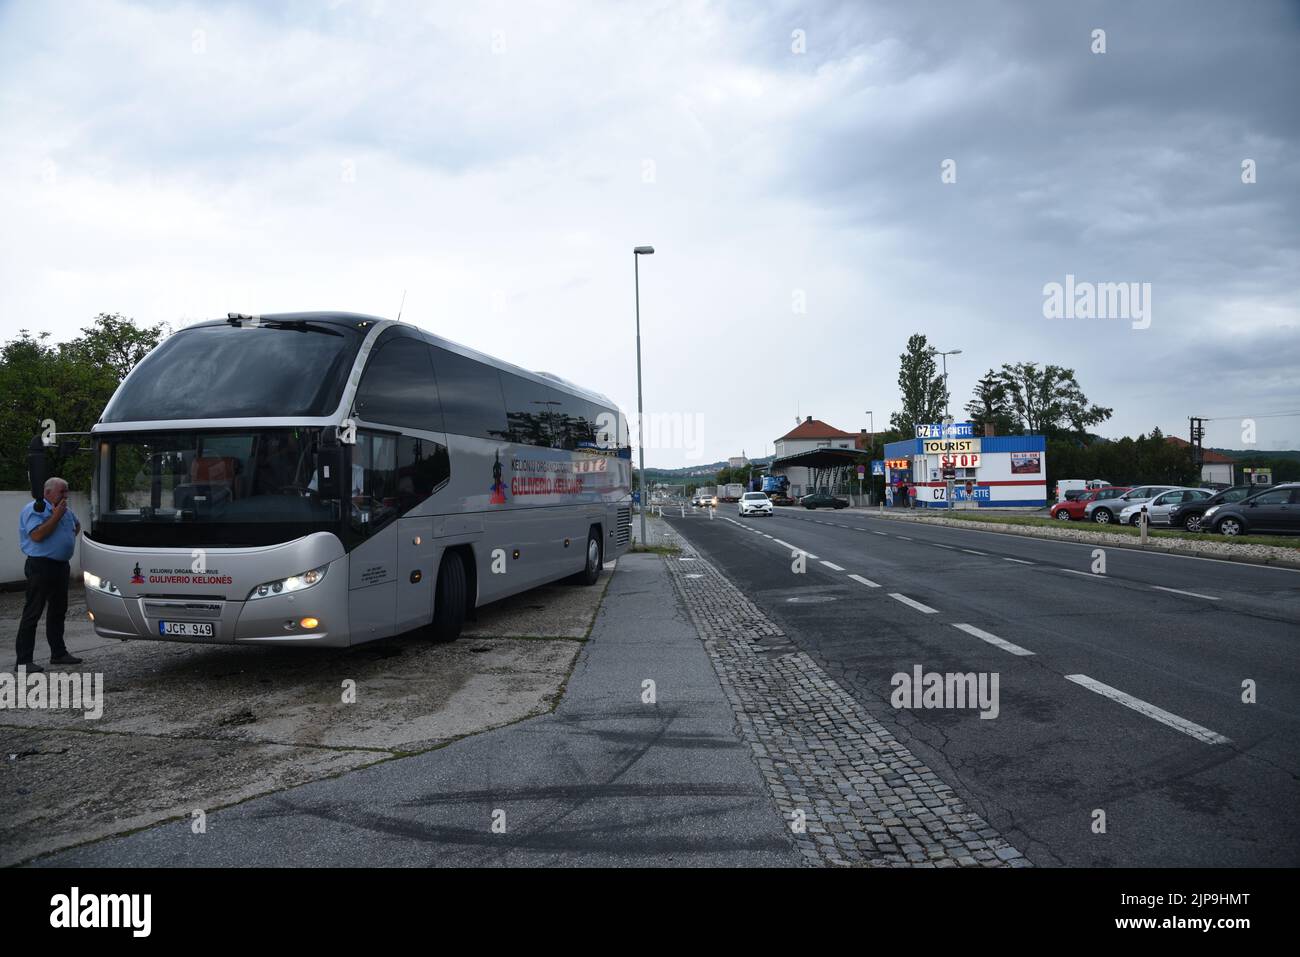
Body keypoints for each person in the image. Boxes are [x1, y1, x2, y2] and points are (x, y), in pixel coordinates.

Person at [15, 477, 84, 673]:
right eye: (62, 491)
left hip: (61, 566)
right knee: (33, 612)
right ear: (47, 493)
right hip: (40, 566)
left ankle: (59, 653)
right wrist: (56, 516)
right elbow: (36, 535)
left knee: (58, 611)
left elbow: (76, 526)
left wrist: (64, 538)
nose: (66, 495)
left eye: (66, 491)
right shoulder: (35, 509)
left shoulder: (66, 511)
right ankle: (23, 661)